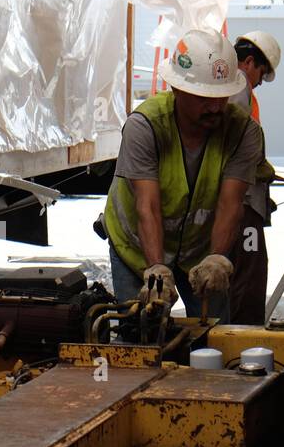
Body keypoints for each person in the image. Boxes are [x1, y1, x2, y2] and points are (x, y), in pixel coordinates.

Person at [103, 28, 264, 321]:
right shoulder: (145, 126)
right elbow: (147, 207)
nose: (215, 106)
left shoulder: (244, 132)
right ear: (177, 89)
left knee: (214, 336)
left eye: (222, 96)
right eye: (204, 97)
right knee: (140, 332)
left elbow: (231, 205)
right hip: (136, 247)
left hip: (199, 251)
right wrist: (156, 269)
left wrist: (217, 258)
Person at [227, 31, 282, 324]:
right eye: (262, 72)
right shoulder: (237, 88)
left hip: (241, 197)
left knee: (242, 267)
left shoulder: (229, 86)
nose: (261, 80)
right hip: (243, 203)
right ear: (249, 62)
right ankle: (243, 339)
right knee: (250, 269)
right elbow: (235, 147)